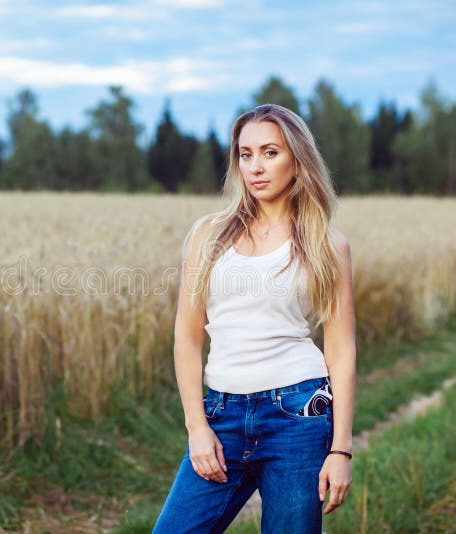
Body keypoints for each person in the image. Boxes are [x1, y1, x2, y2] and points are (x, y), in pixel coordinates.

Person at [152, 104, 356, 533]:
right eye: (246, 155)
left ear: (297, 159)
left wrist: (341, 449)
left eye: (270, 153)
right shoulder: (208, 234)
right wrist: (196, 427)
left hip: (298, 415)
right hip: (222, 413)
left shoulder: (326, 244)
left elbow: (340, 349)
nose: (255, 167)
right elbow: (187, 337)